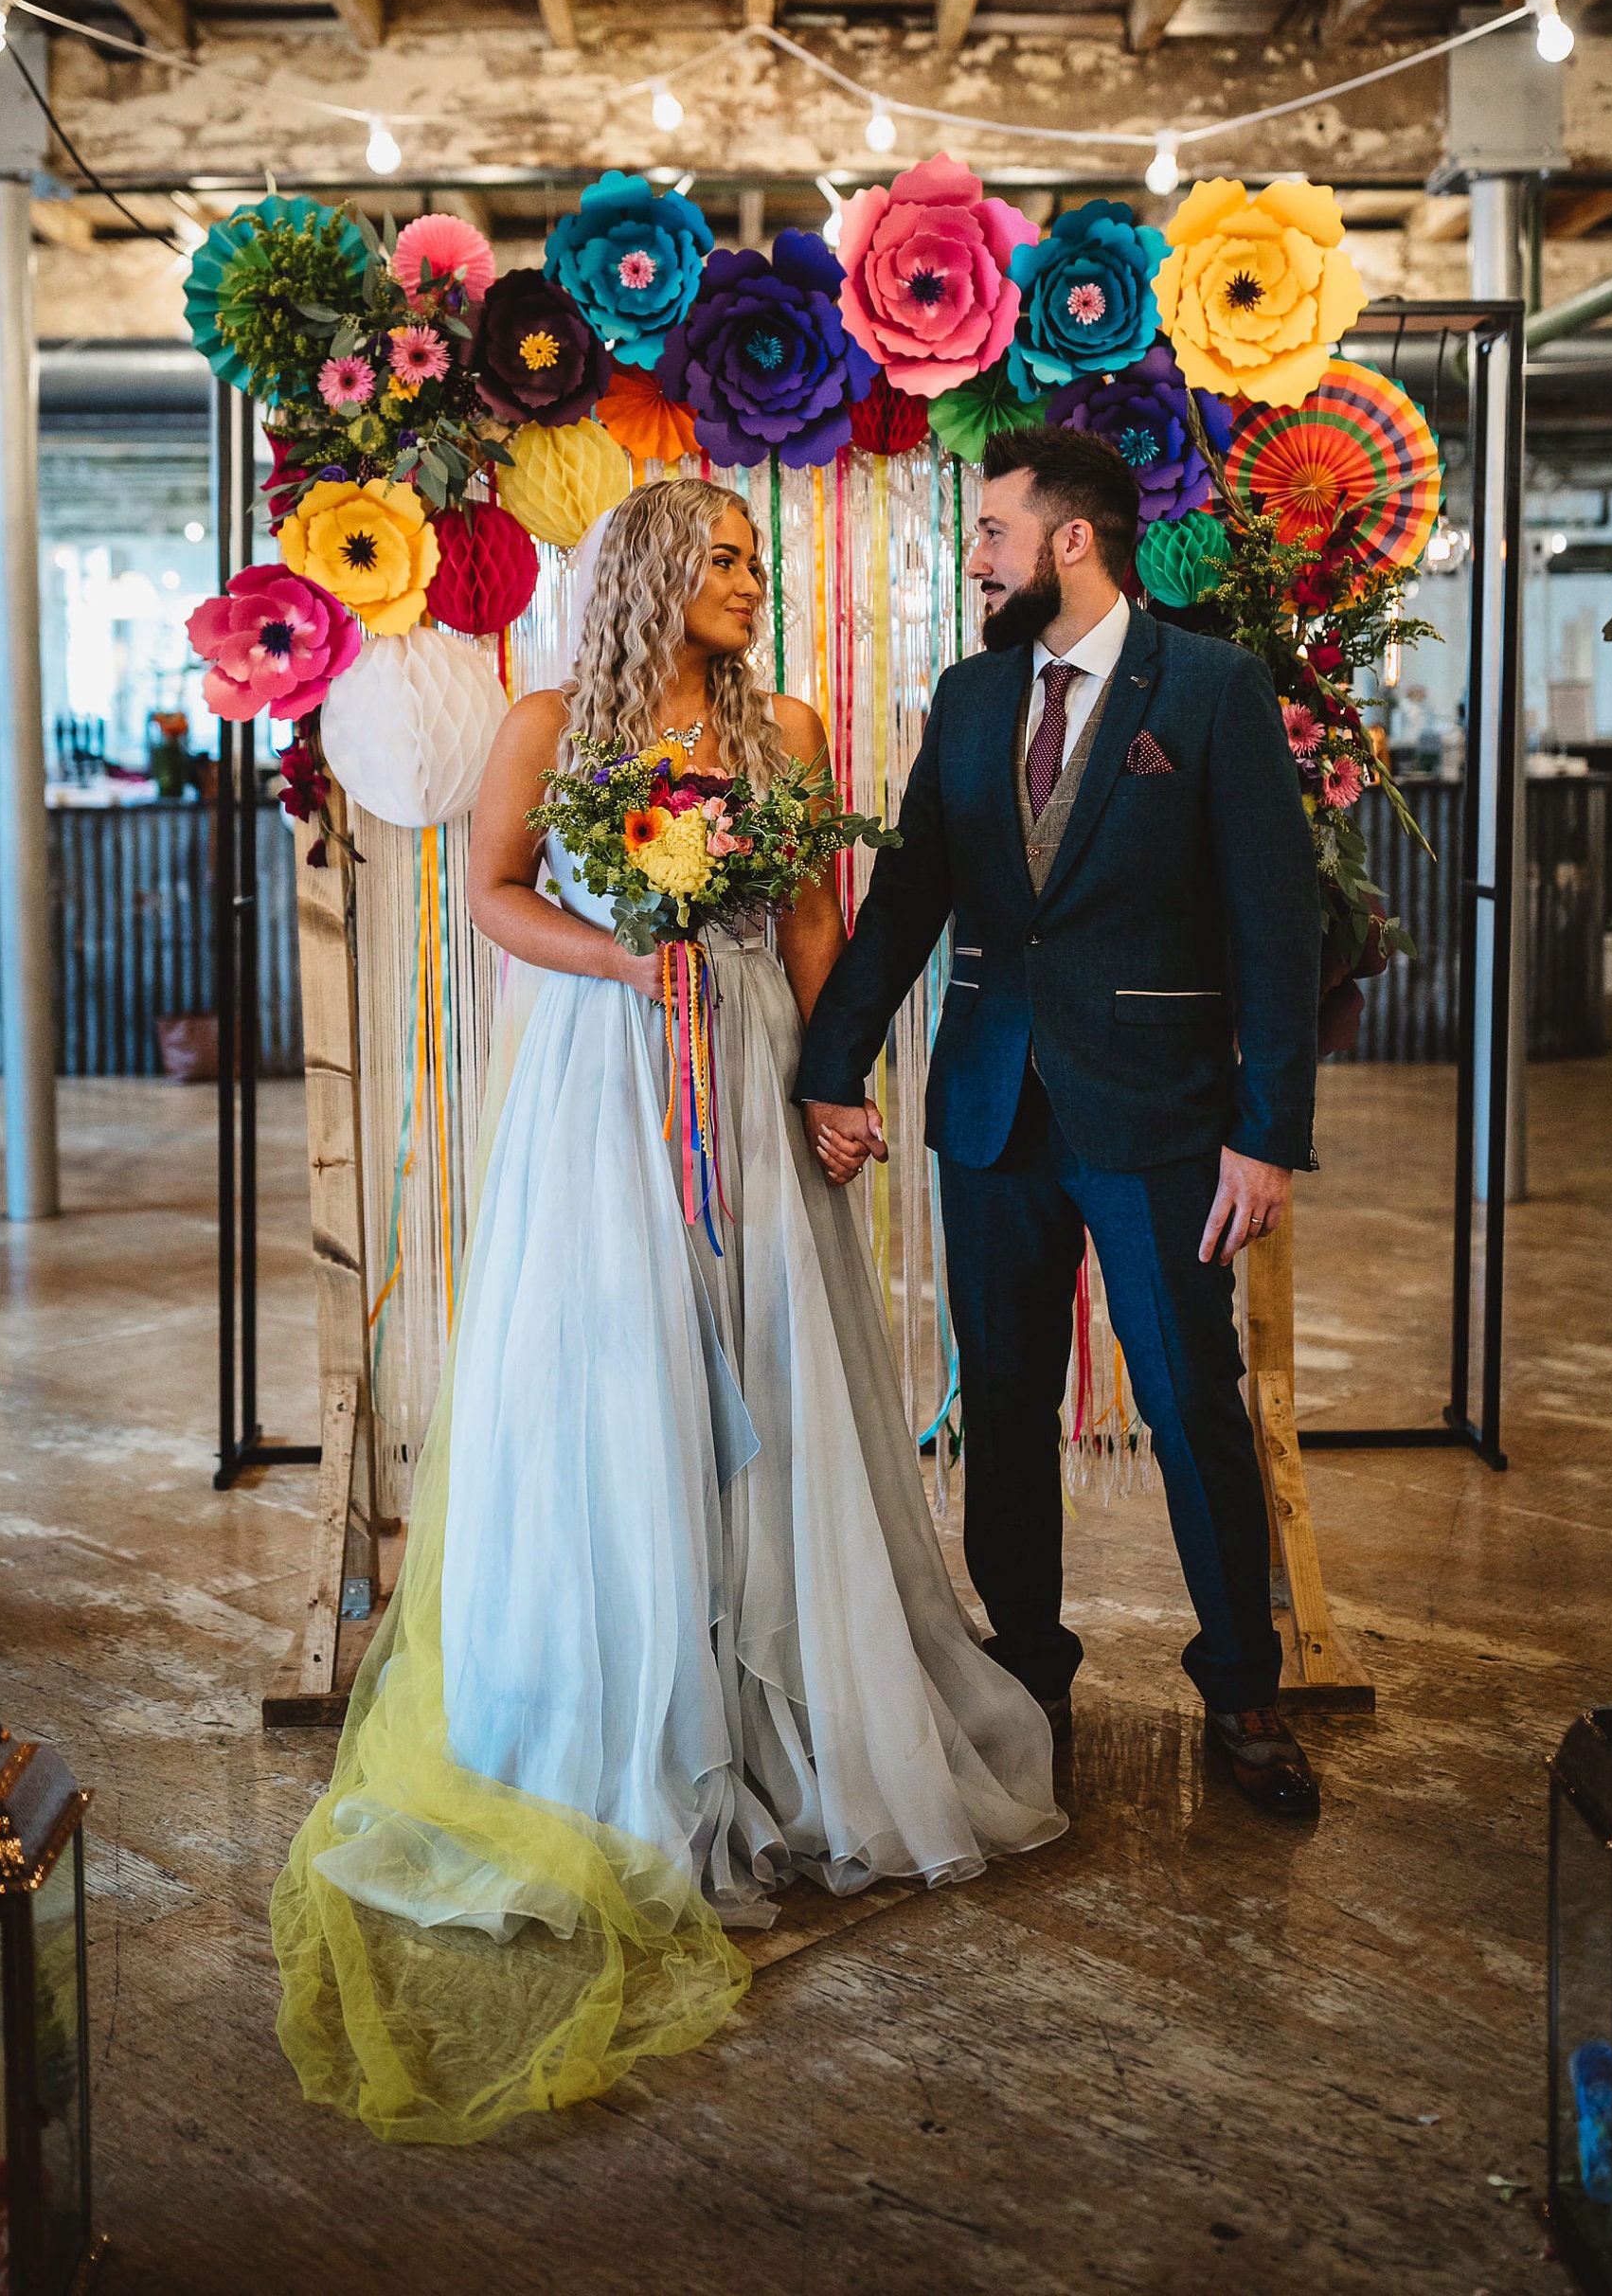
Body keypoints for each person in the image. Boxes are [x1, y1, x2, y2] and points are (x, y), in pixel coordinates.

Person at [273, 475, 1063, 2148]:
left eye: (756, 558)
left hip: (755, 1066)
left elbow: (815, 915)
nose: (750, 581)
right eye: (722, 557)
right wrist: (628, 965)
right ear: (647, 571)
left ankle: (798, 1727)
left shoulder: (783, 722)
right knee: (620, 1381)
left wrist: (832, 1077)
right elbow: (491, 895)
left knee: (772, 1368)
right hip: (606, 1077)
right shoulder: (550, 721)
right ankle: (629, 1734)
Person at [796, 427, 1323, 1821]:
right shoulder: (970, 698)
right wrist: (829, 1060)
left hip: (1159, 1120)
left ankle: (1243, 1686)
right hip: (990, 1112)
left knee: (1191, 1404)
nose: (974, 559)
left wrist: (1267, 1134)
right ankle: (1027, 1670)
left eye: (991, 533)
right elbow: (911, 894)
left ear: (1070, 541)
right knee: (1010, 1411)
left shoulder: (1212, 689)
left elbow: (1278, 930)